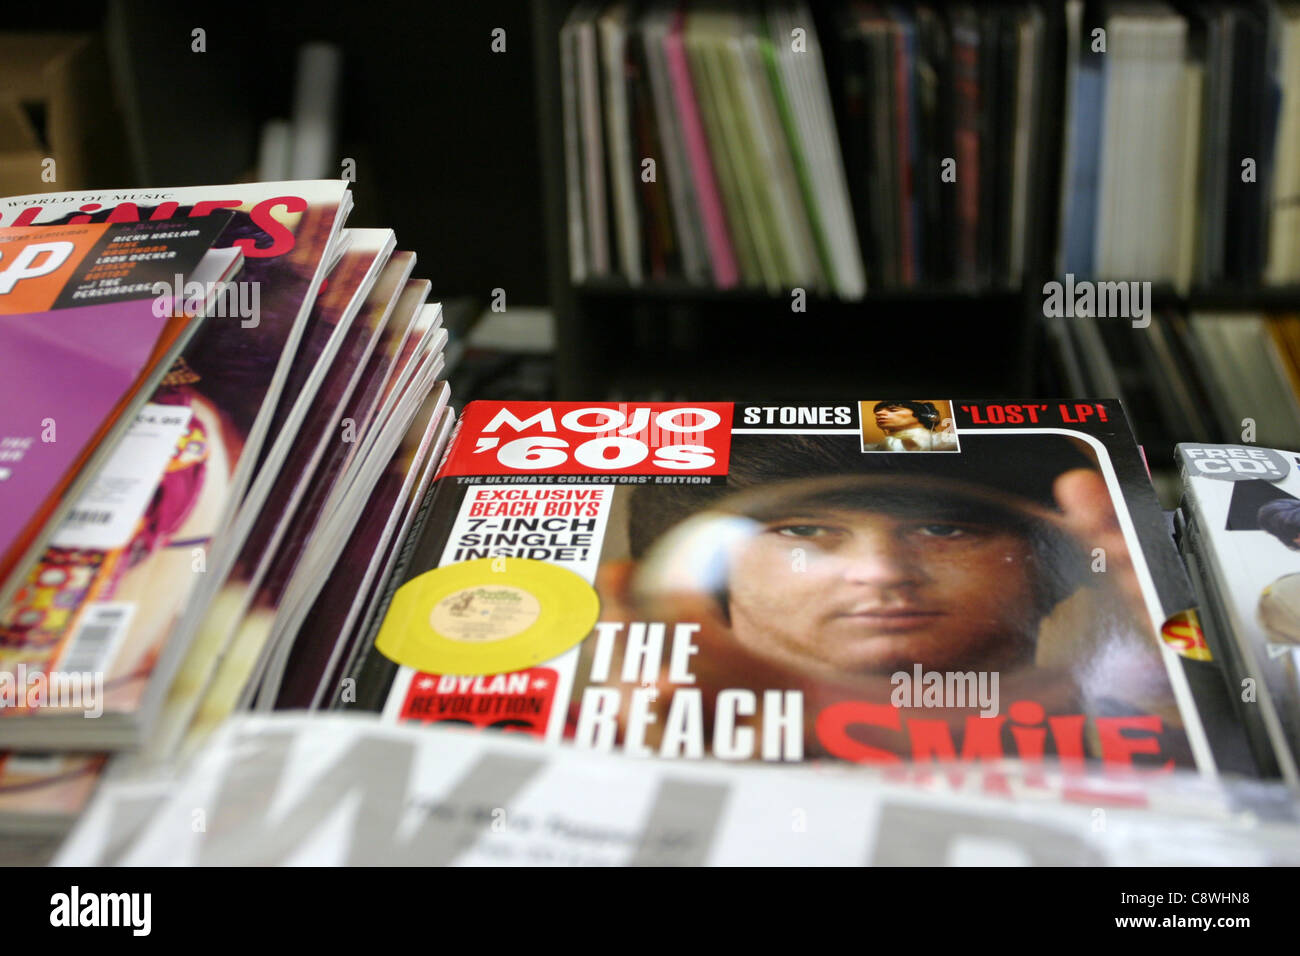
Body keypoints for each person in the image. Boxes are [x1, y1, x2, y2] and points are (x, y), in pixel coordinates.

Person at [864, 401, 958, 451]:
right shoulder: (872, 449)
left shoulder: (952, 442)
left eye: (893, 410)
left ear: (923, 414)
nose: (879, 413)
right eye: (877, 411)